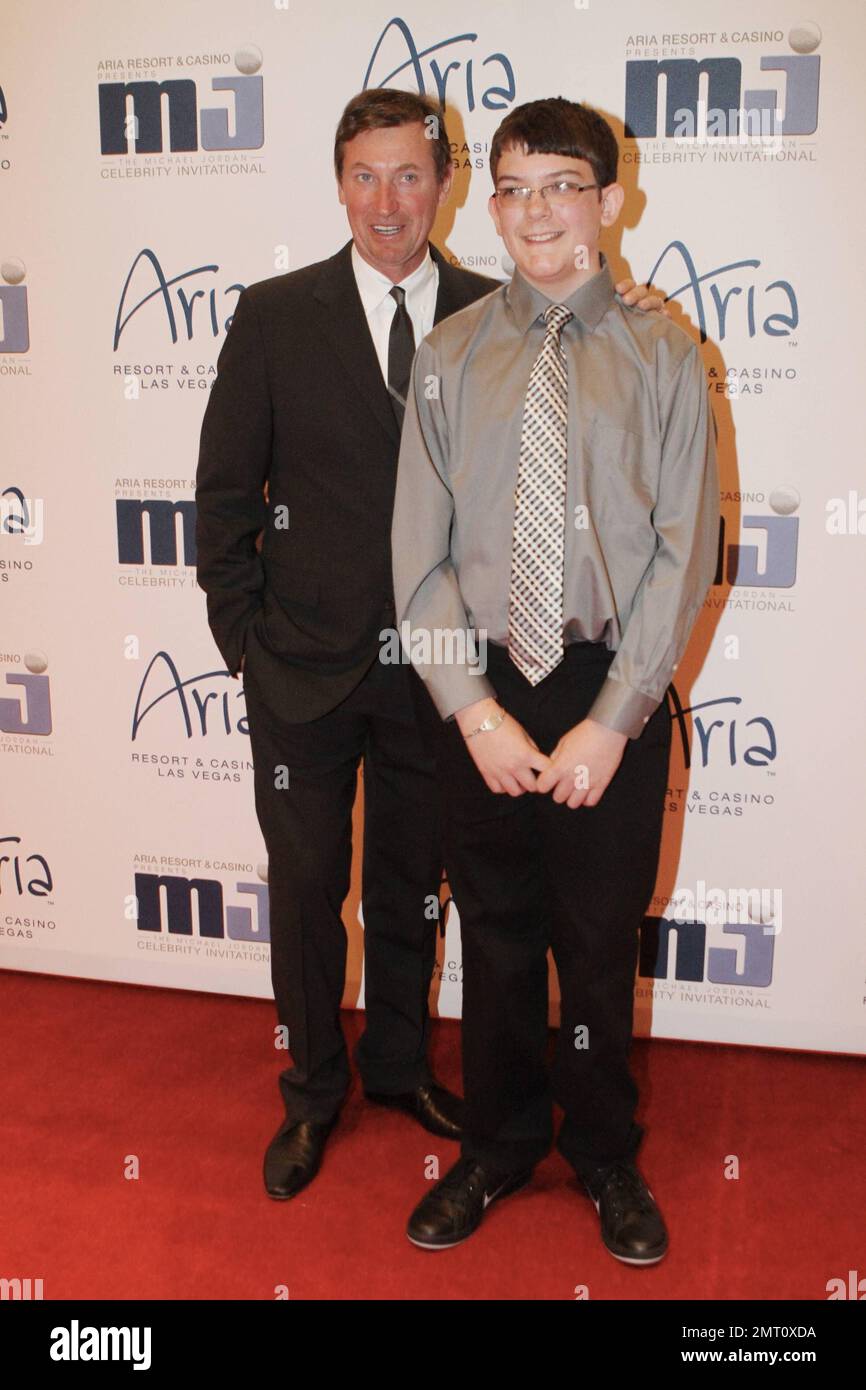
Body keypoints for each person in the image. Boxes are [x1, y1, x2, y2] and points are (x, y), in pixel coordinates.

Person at [195, 87, 666, 1204]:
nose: (387, 200)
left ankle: (400, 1067)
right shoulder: (273, 313)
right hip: (301, 671)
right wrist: (247, 645)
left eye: (410, 174)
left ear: (450, 184)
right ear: (337, 181)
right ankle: (312, 1091)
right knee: (308, 884)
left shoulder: (491, 307)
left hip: (446, 680)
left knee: (413, 886)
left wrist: (620, 305)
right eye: (364, 174)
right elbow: (222, 502)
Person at [392, 96, 719, 1263]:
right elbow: (414, 556)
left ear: (608, 202)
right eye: (516, 188)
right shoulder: (448, 354)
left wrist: (613, 718)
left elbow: (686, 550)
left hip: (604, 684)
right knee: (492, 932)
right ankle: (493, 1142)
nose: (537, 211)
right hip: (478, 686)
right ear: (492, 206)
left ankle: (602, 1153)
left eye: (563, 185)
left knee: (590, 938)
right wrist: (466, 707)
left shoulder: (662, 350)